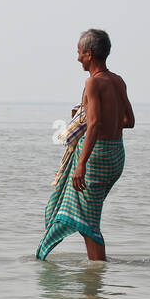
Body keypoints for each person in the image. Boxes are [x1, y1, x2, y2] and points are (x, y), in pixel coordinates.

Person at [37, 29, 134, 261]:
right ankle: (95, 276)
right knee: (87, 216)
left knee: (88, 222)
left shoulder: (92, 83)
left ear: (89, 54)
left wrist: (80, 164)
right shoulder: (118, 81)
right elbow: (128, 121)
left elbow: (95, 125)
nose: (77, 58)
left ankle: (96, 278)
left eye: (79, 53)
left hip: (95, 157)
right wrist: (88, 113)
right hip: (116, 155)